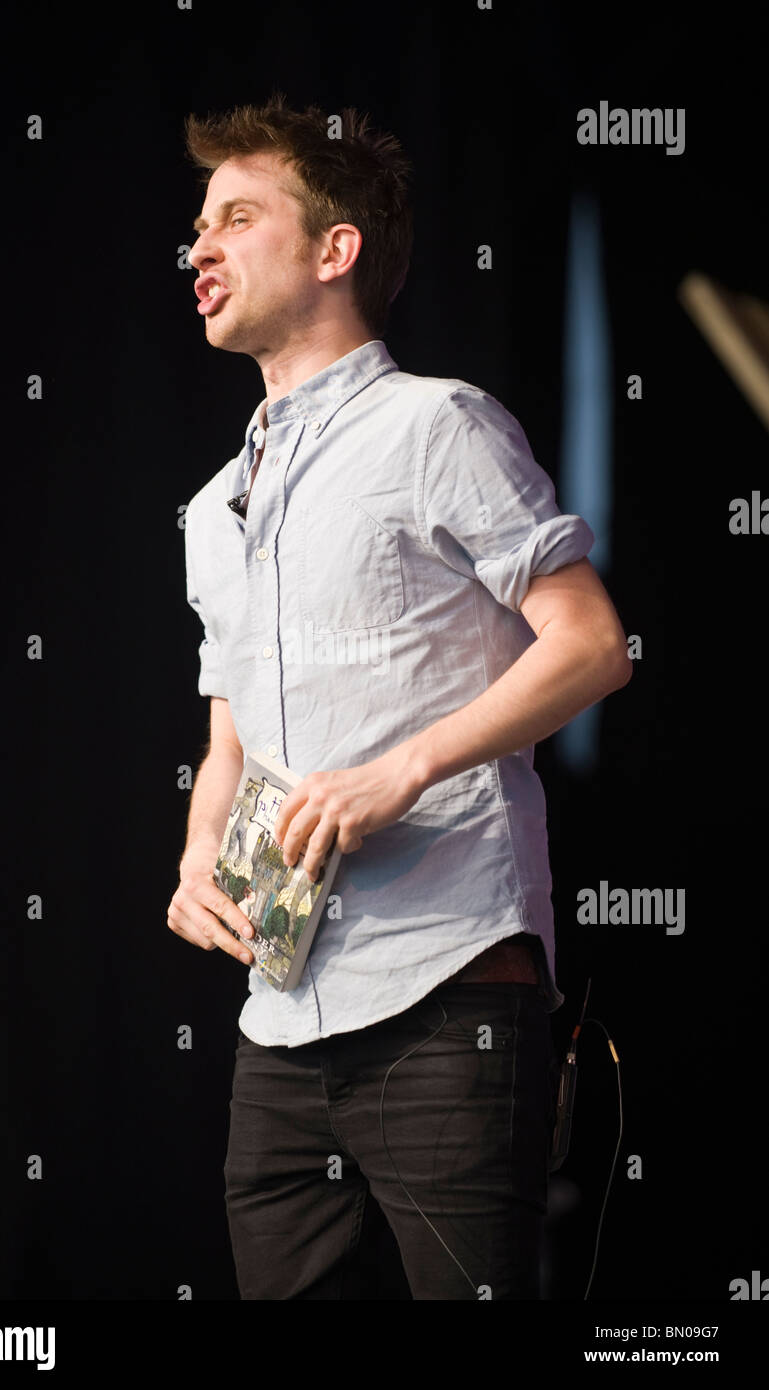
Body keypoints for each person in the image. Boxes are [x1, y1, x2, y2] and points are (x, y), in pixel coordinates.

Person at [166, 93, 632, 1300]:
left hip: (447, 995)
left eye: (236, 217)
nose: (198, 247)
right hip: (276, 1026)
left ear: (336, 248)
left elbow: (590, 646)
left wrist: (402, 769)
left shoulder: (438, 424)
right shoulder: (212, 504)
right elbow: (231, 731)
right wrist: (196, 851)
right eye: (196, 226)